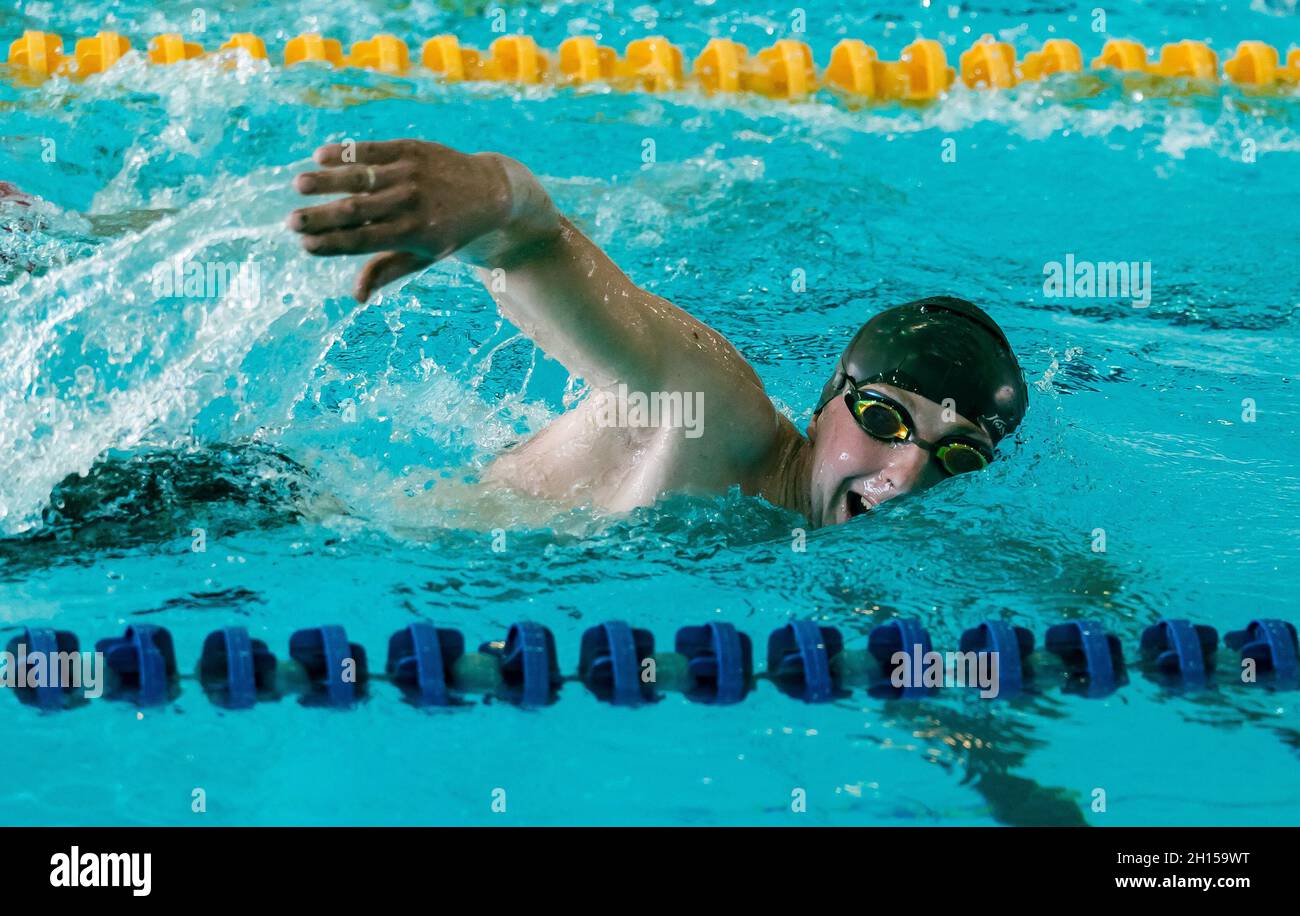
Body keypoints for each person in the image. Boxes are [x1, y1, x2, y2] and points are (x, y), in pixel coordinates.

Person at [287, 140, 1028, 528]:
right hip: (278, 520)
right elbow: (538, 247)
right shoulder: (713, 412)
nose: (903, 477)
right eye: (883, 418)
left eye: (957, 457)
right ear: (826, 401)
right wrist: (494, 200)